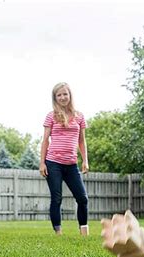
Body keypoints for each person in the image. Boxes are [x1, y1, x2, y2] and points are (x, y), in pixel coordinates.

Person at [40, 82, 89, 235]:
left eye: (65, 94)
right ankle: (58, 233)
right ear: (55, 98)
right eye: (59, 95)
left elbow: (82, 140)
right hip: (53, 162)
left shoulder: (79, 116)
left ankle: (83, 230)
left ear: (70, 95)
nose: (62, 97)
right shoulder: (51, 116)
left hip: (71, 164)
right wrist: (42, 163)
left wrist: (85, 160)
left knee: (82, 198)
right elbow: (45, 139)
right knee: (57, 198)